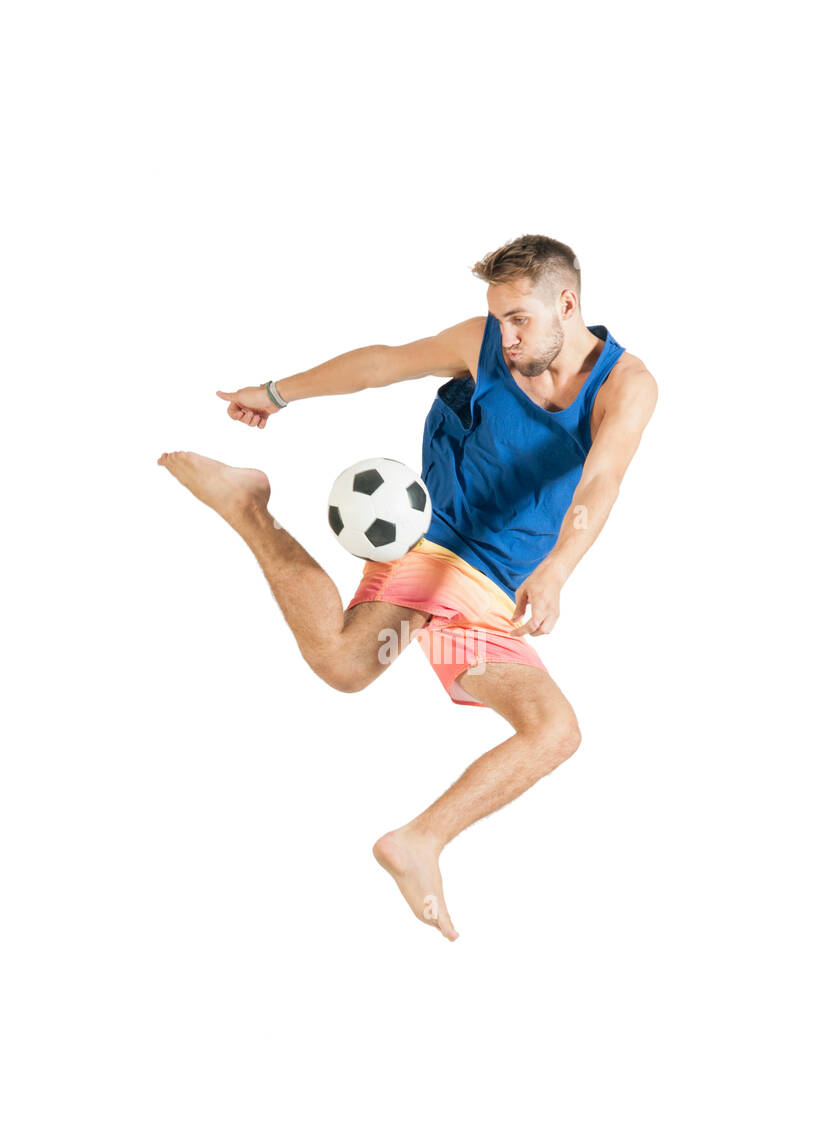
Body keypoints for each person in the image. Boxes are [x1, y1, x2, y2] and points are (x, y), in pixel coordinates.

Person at [158, 234, 658, 941]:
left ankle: (418, 840)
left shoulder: (625, 384)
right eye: (499, 319)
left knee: (555, 731)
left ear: (567, 305)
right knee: (344, 664)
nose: (507, 337)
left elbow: (603, 477)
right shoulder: (484, 344)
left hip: (493, 589)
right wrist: (273, 395)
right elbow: (381, 365)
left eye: (520, 320)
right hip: (436, 543)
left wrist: (558, 569)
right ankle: (248, 507)